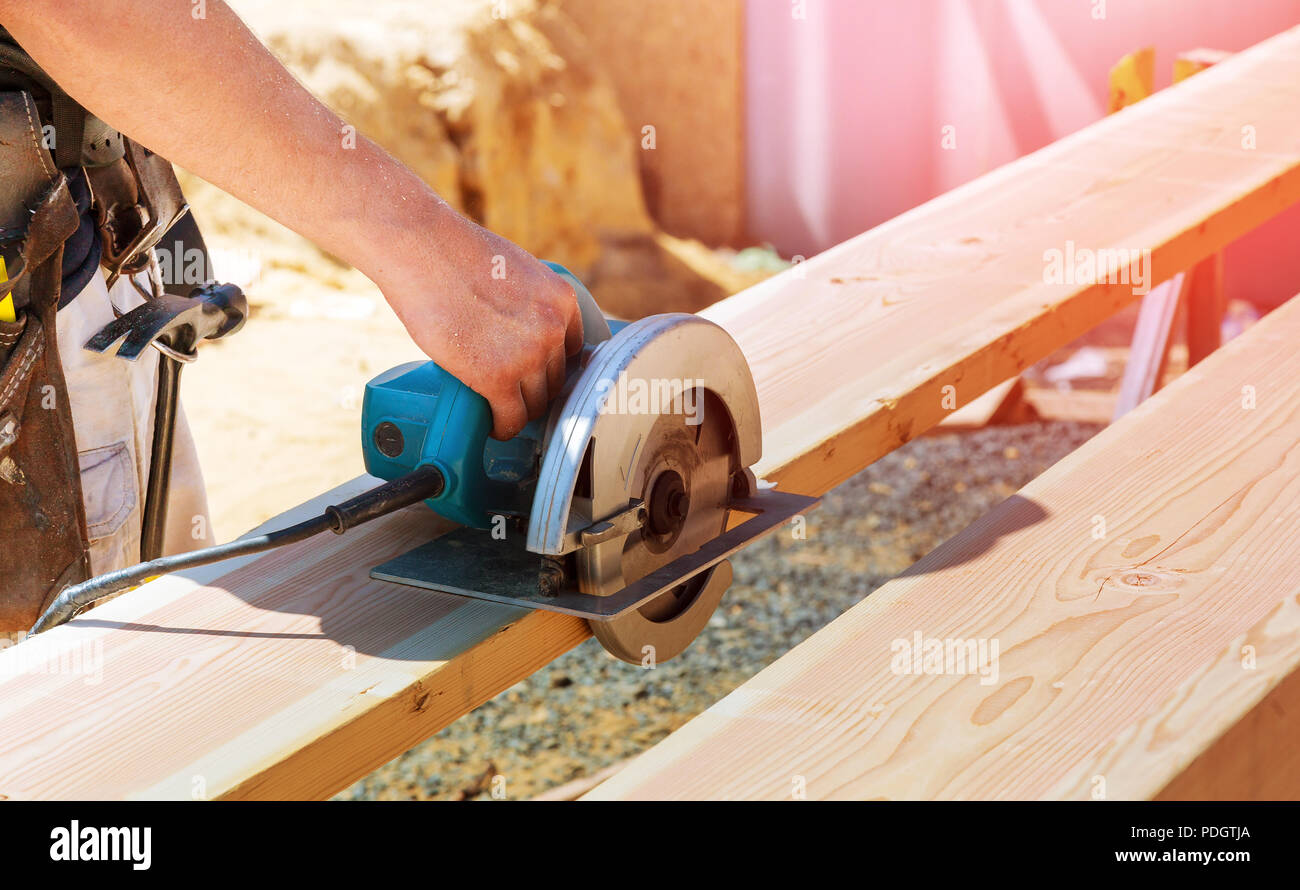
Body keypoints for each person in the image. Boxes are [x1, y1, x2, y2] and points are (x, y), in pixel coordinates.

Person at [0, 1, 582, 635]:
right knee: (97, 700)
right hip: (34, 316)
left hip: (74, 245)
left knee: (141, 646)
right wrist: (426, 250)